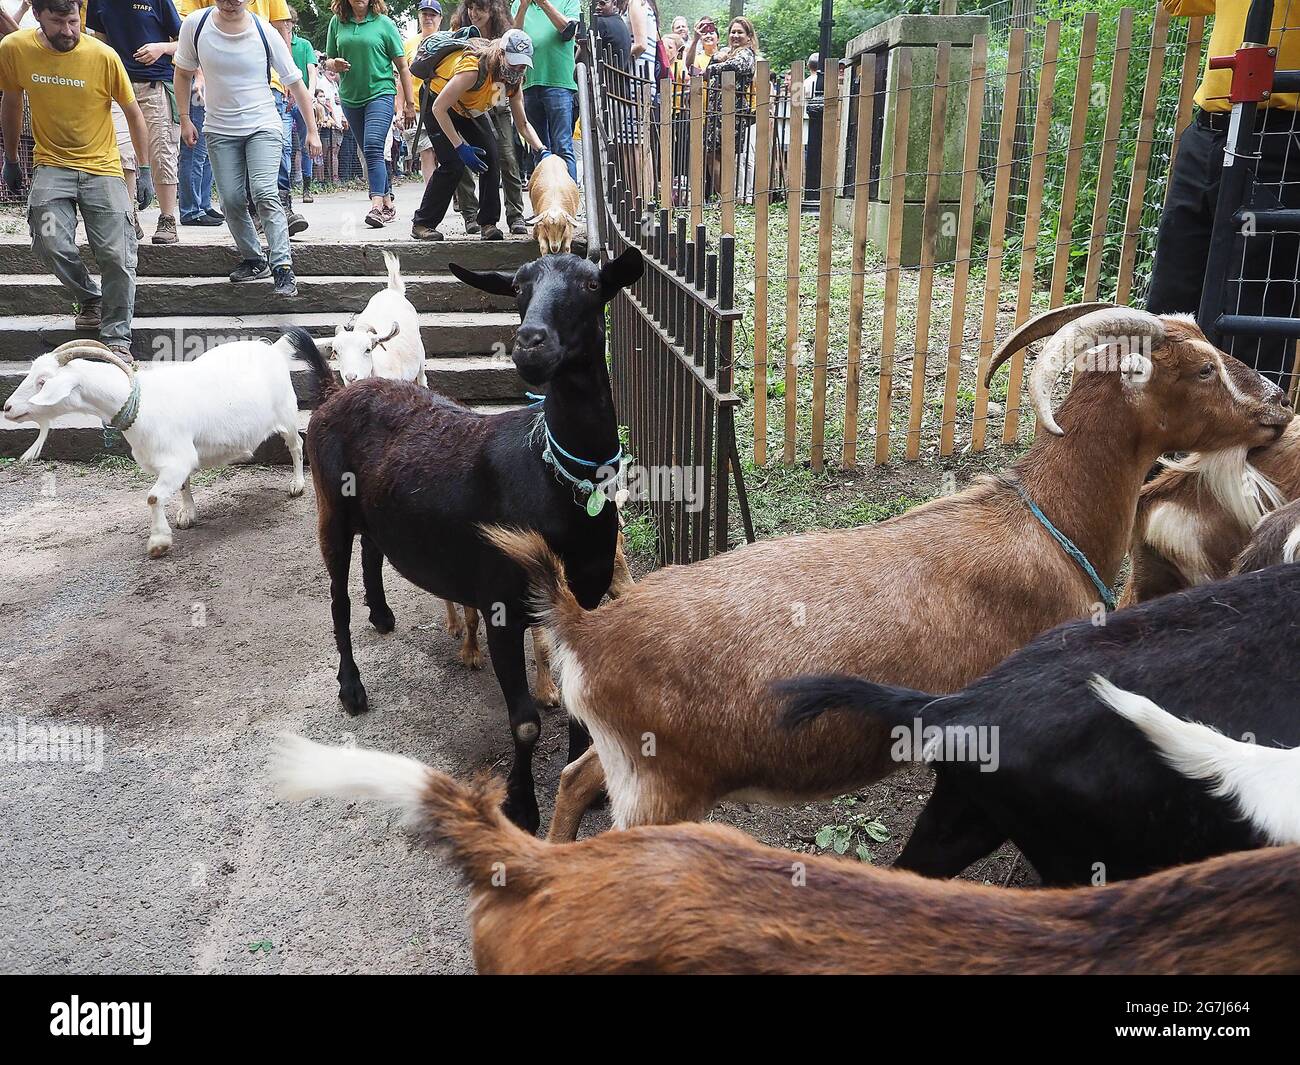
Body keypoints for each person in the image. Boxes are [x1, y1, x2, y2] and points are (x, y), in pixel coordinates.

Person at [1149, 0, 1300, 384]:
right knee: (1174, 287)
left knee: (1254, 292)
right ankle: (1165, 422)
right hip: (1210, 131)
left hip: (1278, 138)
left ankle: (1250, 435)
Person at [0, 0, 147, 357]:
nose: (68, 30)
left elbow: (133, 112)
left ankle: (116, 337)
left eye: (73, 21)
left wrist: (143, 170)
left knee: (117, 255)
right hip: (52, 166)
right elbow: (12, 100)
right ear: (37, 15)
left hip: (103, 169)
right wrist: (11, 159)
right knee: (48, 240)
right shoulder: (15, 48)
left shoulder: (103, 56)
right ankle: (89, 296)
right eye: (58, 22)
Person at [174, 0, 320, 297]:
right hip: (219, 128)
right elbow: (183, 72)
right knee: (230, 200)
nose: (231, 2)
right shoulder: (196, 25)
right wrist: (185, 118)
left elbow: (296, 82)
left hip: (262, 124)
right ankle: (254, 259)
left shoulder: (265, 32)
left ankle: (282, 267)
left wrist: (313, 131)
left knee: (265, 192)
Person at [411, 28, 546, 241]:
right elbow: (439, 109)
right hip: (437, 102)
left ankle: (488, 223)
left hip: (467, 108)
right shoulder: (473, 69)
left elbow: (522, 123)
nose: (518, 69)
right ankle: (422, 223)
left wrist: (542, 150)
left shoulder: (509, 81)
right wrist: (459, 146)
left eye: (522, 65)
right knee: (452, 164)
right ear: (501, 55)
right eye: (514, 63)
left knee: (491, 157)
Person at [84, 0, 184, 244]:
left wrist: (161, 48)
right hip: (116, 87)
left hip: (155, 83)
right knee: (121, 152)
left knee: (162, 151)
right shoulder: (98, 2)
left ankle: (167, 219)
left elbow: (185, 42)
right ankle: (129, 217)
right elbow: (100, 43)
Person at [324, 0, 415, 229]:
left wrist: (409, 104)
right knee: (368, 151)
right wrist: (335, 63)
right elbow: (328, 60)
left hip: (381, 93)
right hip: (350, 97)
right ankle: (388, 204)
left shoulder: (384, 24)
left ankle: (375, 206)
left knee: (374, 145)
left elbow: (403, 66)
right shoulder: (337, 22)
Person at [452, 0, 527, 235]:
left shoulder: (504, 34)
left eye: (480, 9)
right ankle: (470, 215)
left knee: (507, 156)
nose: (474, 14)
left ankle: (516, 216)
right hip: (469, 103)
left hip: (498, 98)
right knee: (468, 158)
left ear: (492, 10)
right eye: (471, 8)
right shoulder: (461, 32)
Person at [512, 0, 578, 181]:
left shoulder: (568, 1)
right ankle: (544, 203)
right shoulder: (519, 4)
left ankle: (567, 204)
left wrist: (543, 3)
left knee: (562, 146)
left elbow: (568, 31)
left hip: (559, 82)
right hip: (529, 82)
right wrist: (523, 7)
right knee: (538, 148)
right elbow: (513, 38)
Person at [700, 16, 757, 198]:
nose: (735, 35)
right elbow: (706, 75)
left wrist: (716, 66)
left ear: (749, 37)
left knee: (725, 155)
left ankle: (726, 198)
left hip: (733, 112)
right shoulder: (726, 53)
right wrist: (716, 58)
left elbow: (738, 66)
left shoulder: (747, 53)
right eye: (733, 32)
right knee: (711, 155)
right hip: (716, 111)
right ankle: (722, 197)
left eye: (740, 32)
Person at [402, 0, 441, 184]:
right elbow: (402, 78)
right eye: (424, 14)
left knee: (444, 152)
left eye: (432, 14)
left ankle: (456, 193)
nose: (428, 18)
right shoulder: (409, 44)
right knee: (426, 152)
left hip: (443, 105)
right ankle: (431, 197)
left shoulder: (446, 40)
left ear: (440, 19)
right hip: (418, 107)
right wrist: (400, 108)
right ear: (418, 17)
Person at [287, 12, 317, 202]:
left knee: (307, 144)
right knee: (284, 145)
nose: (286, 24)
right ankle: (284, 188)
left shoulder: (304, 44)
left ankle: (307, 187)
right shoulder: (276, 43)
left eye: (289, 21)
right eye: (283, 21)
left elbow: (311, 71)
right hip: (283, 99)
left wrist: (310, 94)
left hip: (302, 99)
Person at [593, 0, 629, 68]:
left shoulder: (600, 22)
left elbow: (584, 51)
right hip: (619, 76)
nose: (597, 7)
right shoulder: (621, 23)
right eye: (596, 3)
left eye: (602, 3)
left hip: (604, 75)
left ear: (614, 4)